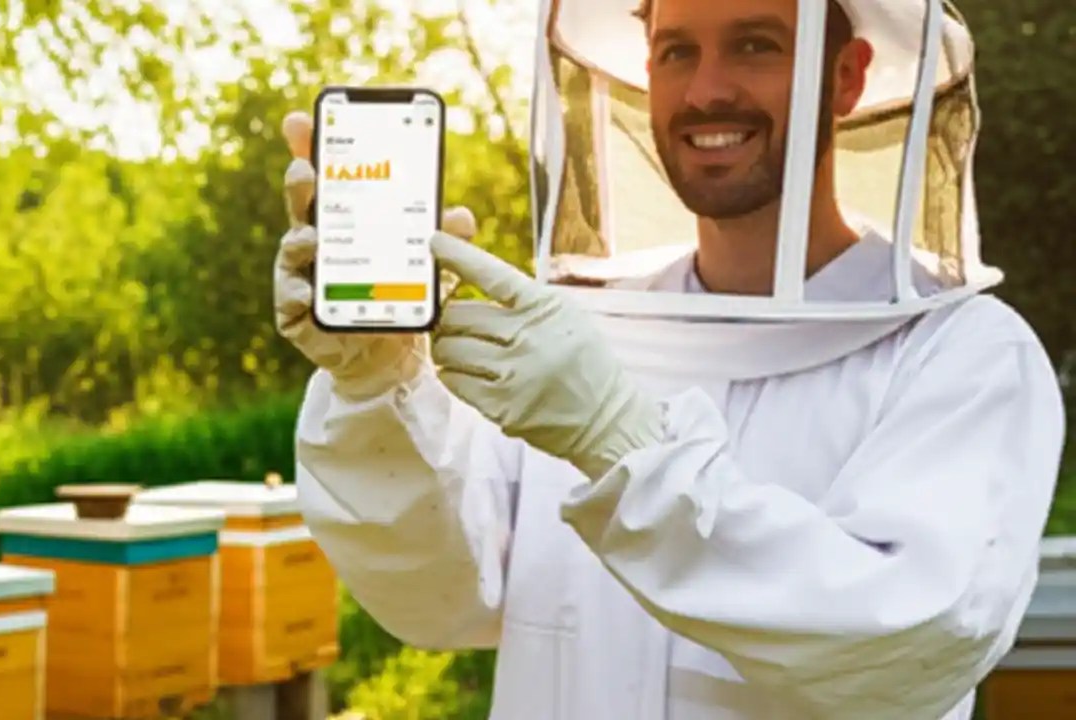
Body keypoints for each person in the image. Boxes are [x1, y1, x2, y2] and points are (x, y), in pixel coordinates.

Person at [273, 0, 1067, 717]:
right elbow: (440, 595)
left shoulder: (965, 357)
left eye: (755, 45)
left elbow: (909, 646)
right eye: (676, 51)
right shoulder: (588, 336)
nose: (704, 92)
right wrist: (378, 384)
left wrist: (622, 445)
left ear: (845, 77)